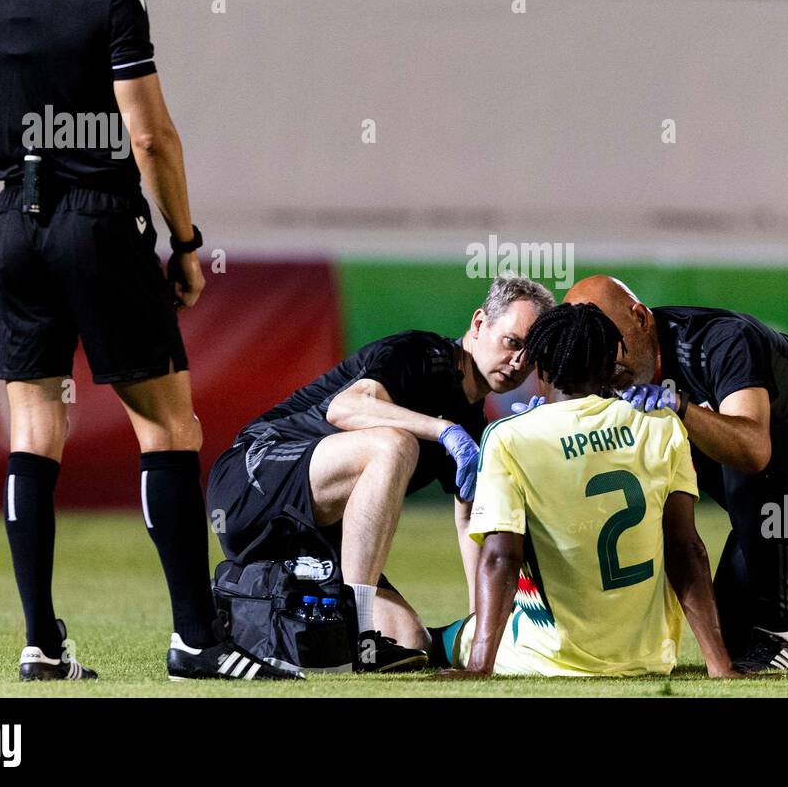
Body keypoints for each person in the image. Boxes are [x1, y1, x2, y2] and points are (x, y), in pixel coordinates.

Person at [0, 0, 293, 682]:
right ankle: (194, 639)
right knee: (169, 428)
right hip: (99, 224)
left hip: (15, 223)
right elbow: (149, 137)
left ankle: (40, 642)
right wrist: (184, 241)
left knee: (34, 429)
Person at [564, 276, 788, 673]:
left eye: (610, 348)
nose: (608, 371)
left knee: (746, 463)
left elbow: (753, 449)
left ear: (639, 317)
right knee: (733, 640)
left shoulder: (720, 341)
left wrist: (680, 405)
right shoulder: (612, 376)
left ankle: (780, 634)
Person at [206, 275, 554, 672]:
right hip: (252, 476)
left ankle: (250, 598)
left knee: (411, 642)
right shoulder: (420, 354)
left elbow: (470, 518)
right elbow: (344, 408)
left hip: (310, 534)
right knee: (394, 444)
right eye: (512, 342)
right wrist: (442, 429)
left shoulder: (475, 424)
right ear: (479, 324)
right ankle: (357, 630)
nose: (519, 362)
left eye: (532, 353)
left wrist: (483, 623)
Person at [443, 302, 737, 678]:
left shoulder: (509, 437)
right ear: (609, 367)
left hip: (546, 658)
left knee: (441, 637)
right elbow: (686, 548)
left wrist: (479, 667)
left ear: (542, 369)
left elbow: (501, 558)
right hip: (649, 659)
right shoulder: (660, 424)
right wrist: (720, 666)